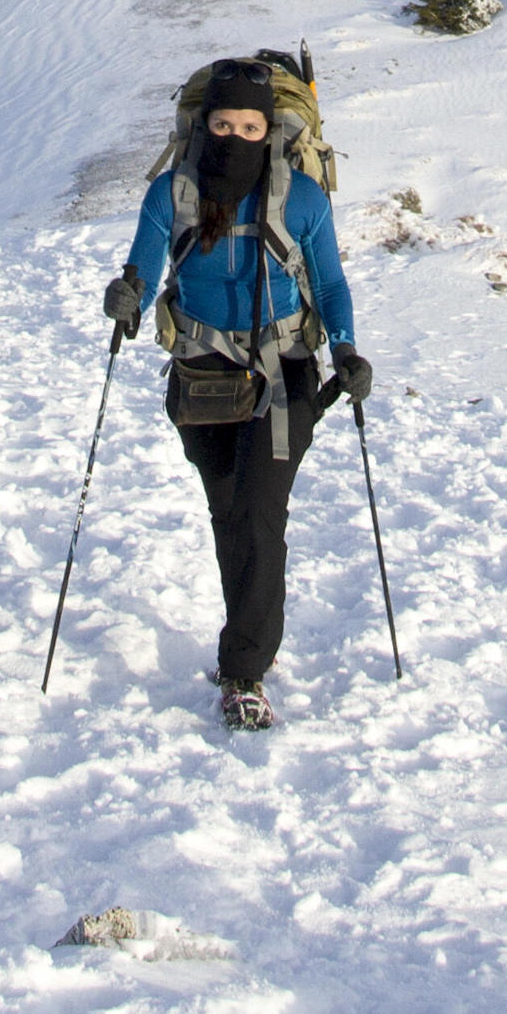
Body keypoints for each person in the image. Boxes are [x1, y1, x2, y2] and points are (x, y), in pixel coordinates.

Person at [104, 55, 372, 730]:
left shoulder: (302, 199)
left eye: (248, 125)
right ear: (202, 126)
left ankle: (245, 670)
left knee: (256, 512)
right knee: (230, 515)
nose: (234, 136)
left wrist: (343, 346)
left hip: (287, 375)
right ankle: (246, 637)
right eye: (222, 123)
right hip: (201, 376)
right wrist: (128, 293)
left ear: (270, 130)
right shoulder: (172, 191)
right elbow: (143, 256)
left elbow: (330, 282)